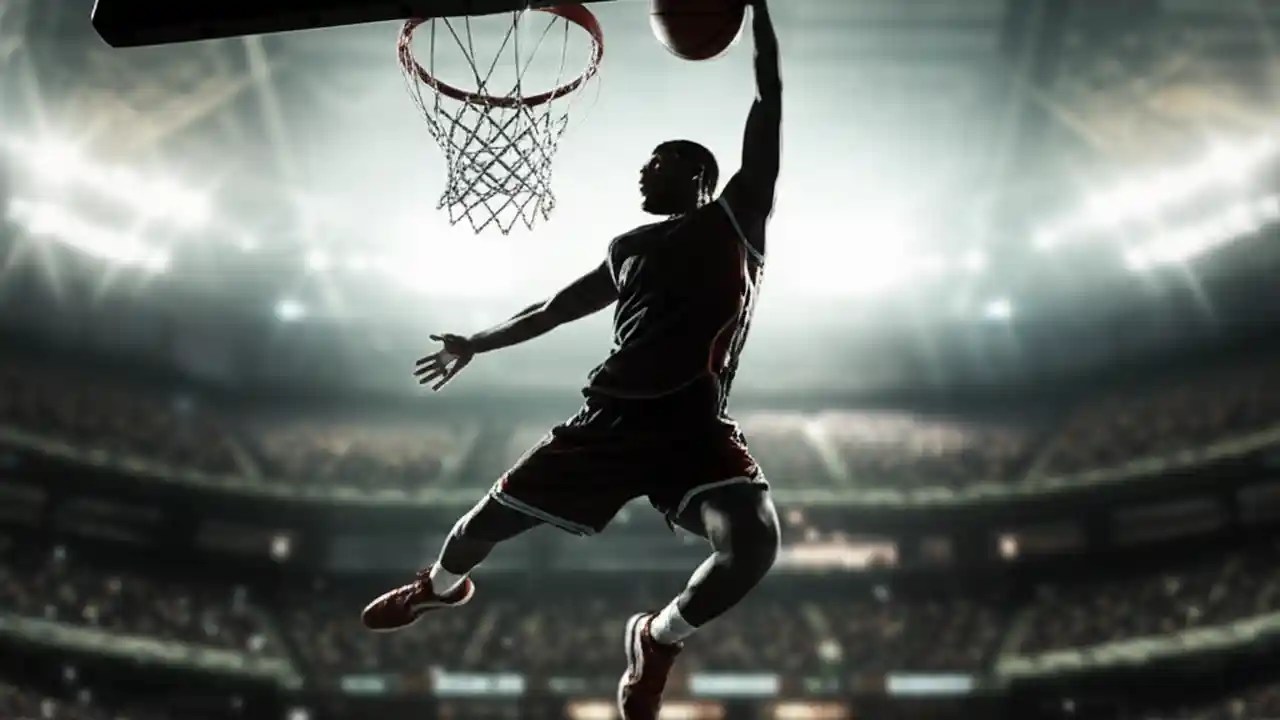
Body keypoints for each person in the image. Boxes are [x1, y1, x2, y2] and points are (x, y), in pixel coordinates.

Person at [361, 1, 782, 716]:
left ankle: (659, 639)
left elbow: (769, 95)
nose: (643, 175)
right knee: (475, 532)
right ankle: (438, 588)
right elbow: (553, 309)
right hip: (610, 422)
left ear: (697, 174)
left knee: (754, 546)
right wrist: (475, 343)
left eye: (658, 164)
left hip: (694, 431)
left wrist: (760, 9)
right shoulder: (628, 248)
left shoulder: (737, 217)